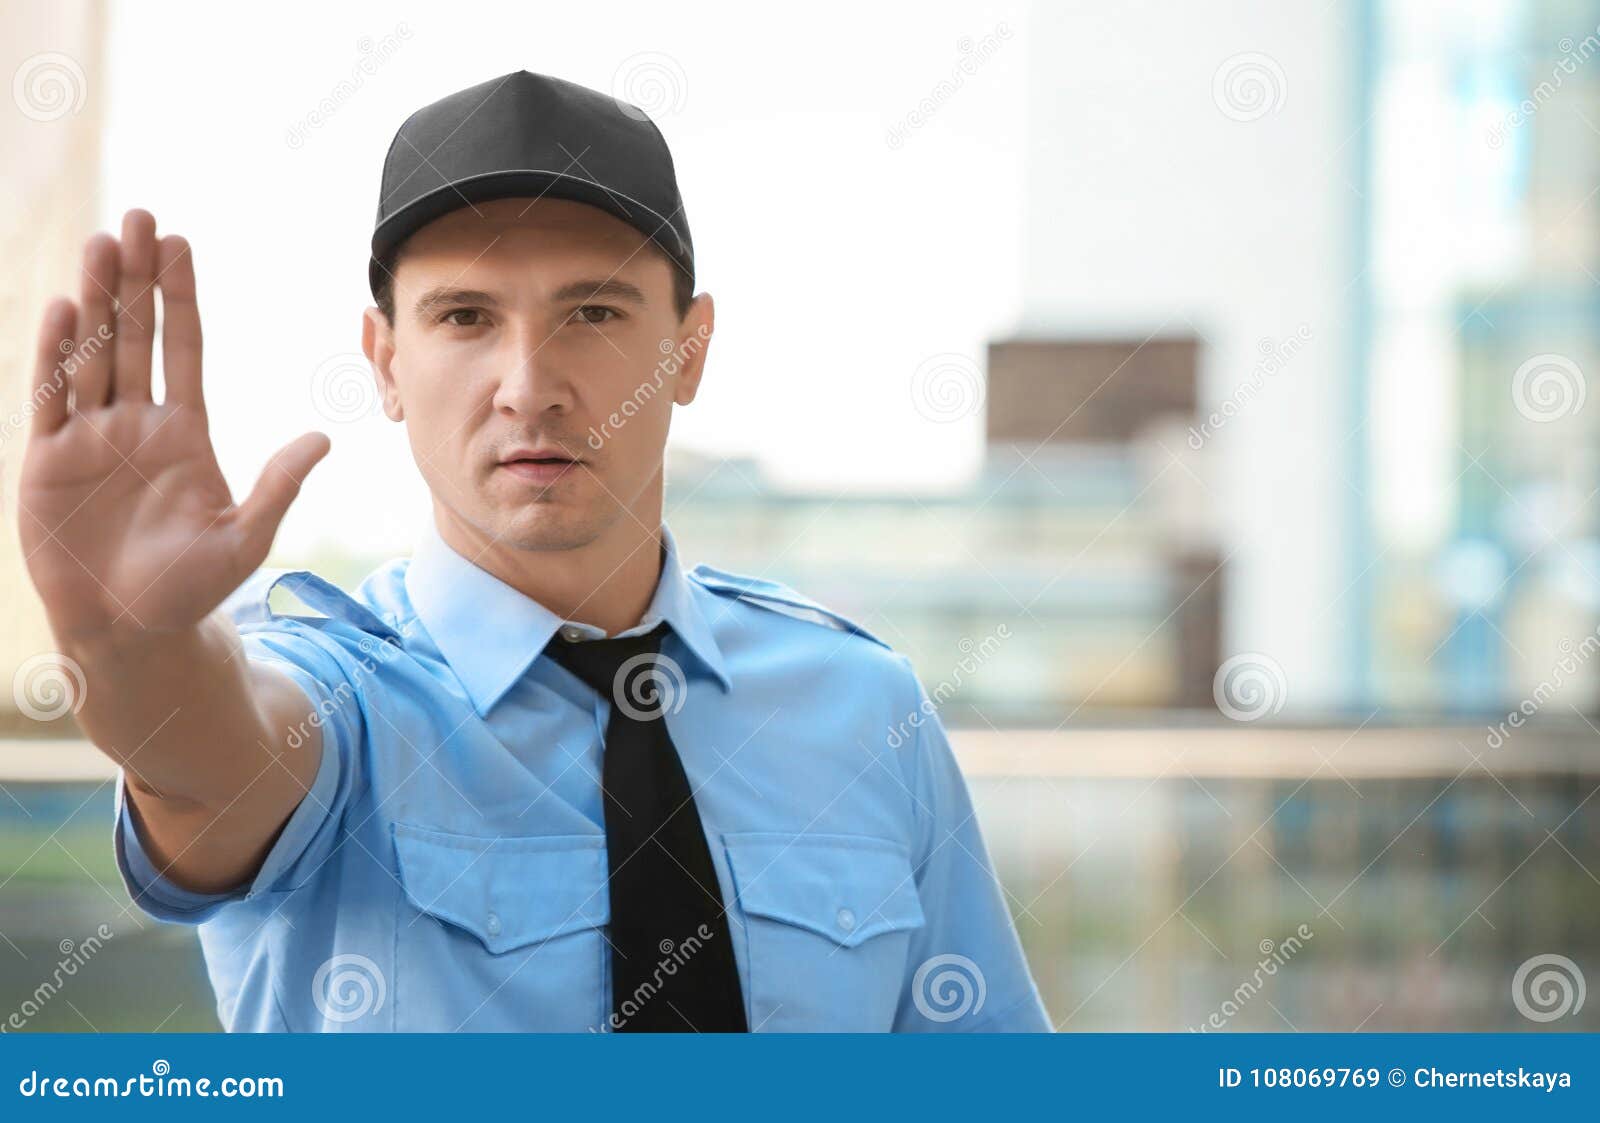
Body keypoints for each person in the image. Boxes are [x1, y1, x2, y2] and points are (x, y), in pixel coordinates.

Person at [19, 69, 1048, 1033]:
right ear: (385, 362)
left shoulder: (865, 707)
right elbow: (208, 752)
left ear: (686, 350)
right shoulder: (342, 700)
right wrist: (131, 649)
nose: (528, 384)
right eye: (464, 316)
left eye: (592, 312)